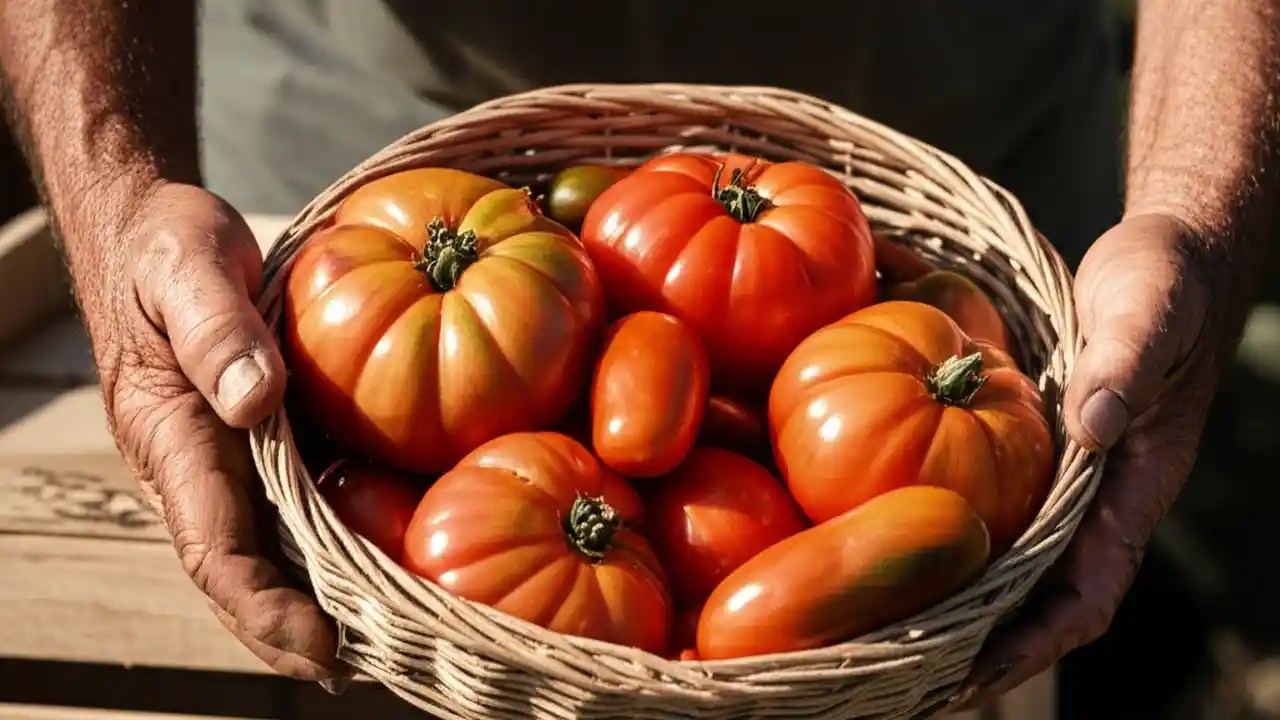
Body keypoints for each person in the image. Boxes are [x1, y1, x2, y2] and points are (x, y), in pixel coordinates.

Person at [0, 0, 1272, 709]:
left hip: (957, 135)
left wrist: (1195, 210)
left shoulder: (946, 345)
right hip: (369, 154)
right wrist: (119, 200)